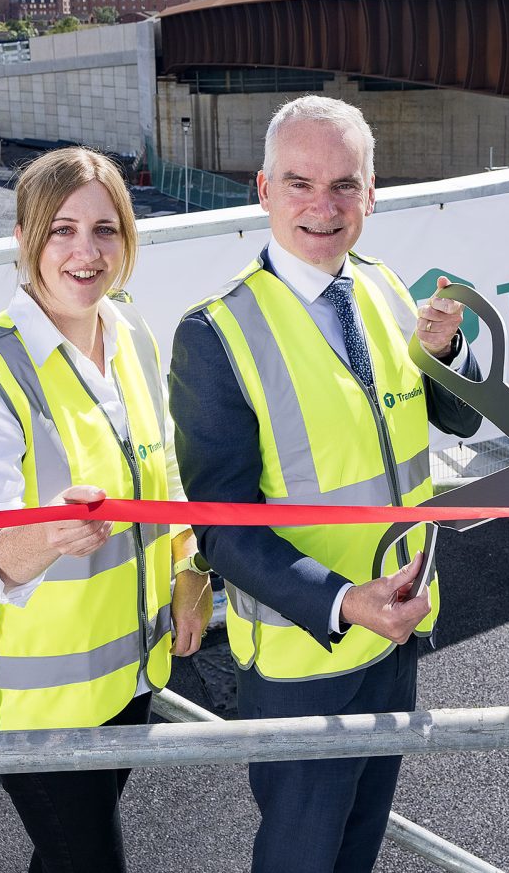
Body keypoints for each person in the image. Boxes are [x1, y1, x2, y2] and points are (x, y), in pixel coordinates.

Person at [169, 95, 484, 873]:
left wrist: (450, 353)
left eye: (345, 184)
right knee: (302, 858)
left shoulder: (383, 287)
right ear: (263, 189)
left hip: (397, 637)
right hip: (304, 657)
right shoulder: (216, 335)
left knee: (358, 849)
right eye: (301, 182)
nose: (323, 205)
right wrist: (347, 602)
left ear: (372, 194)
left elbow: (461, 419)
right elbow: (223, 527)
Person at [0, 147, 211, 873]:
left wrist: (188, 572)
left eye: (106, 229)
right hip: (34, 703)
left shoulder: (133, 332)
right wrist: (46, 536)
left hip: (125, 672)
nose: (86, 252)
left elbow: (164, 471)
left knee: (65, 861)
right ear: (24, 239)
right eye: (62, 230)